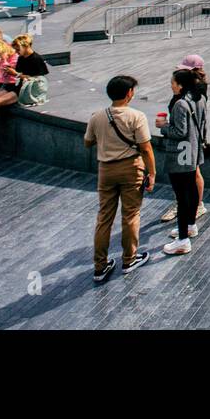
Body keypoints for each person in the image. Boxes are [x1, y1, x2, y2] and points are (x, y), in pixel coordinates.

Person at [84, 75, 154, 283]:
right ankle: (129, 259)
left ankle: (100, 266)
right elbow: (145, 147)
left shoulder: (97, 116)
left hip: (105, 169)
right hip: (131, 168)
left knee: (104, 217)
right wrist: (152, 173)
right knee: (130, 214)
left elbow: (88, 142)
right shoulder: (136, 116)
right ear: (129, 93)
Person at [160, 66, 208, 255]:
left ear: (180, 85)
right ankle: (190, 226)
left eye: (172, 83)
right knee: (191, 191)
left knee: (182, 196)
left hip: (181, 154)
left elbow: (179, 132)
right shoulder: (201, 98)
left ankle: (182, 240)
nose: (171, 86)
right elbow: (203, 125)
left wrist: (164, 127)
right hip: (195, 150)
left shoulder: (180, 104)